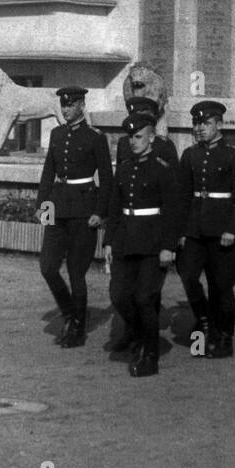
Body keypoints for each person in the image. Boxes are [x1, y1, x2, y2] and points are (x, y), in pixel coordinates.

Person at [104, 111, 180, 377]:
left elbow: (172, 211)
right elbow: (115, 207)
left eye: (139, 136)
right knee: (119, 296)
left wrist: (168, 246)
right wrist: (109, 242)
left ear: (151, 137)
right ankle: (138, 333)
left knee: (144, 298)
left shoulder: (162, 168)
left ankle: (150, 355)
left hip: (153, 242)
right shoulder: (124, 168)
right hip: (126, 240)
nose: (134, 142)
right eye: (130, 137)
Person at [35, 85, 113, 348]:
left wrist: (100, 212)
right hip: (58, 207)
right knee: (47, 267)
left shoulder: (95, 137)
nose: (66, 109)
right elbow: (48, 172)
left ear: (81, 106)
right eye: (63, 105)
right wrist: (42, 204)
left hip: (83, 209)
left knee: (76, 272)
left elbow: (107, 178)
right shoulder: (56, 134)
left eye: (71, 105)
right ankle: (69, 311)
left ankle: (77, 328)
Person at [177, 101, 235, 358]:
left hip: (223, 232)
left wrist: (233, 228)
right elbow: (183, 195)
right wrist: (182, 231)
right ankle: (205, 319)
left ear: (219, 125)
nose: (199, 128)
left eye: (205, 123)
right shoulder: (189, 155)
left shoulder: (233, 155)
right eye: (196, 123)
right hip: (195, 230)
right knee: (187, 275)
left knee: (221, 286)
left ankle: (224, 338)